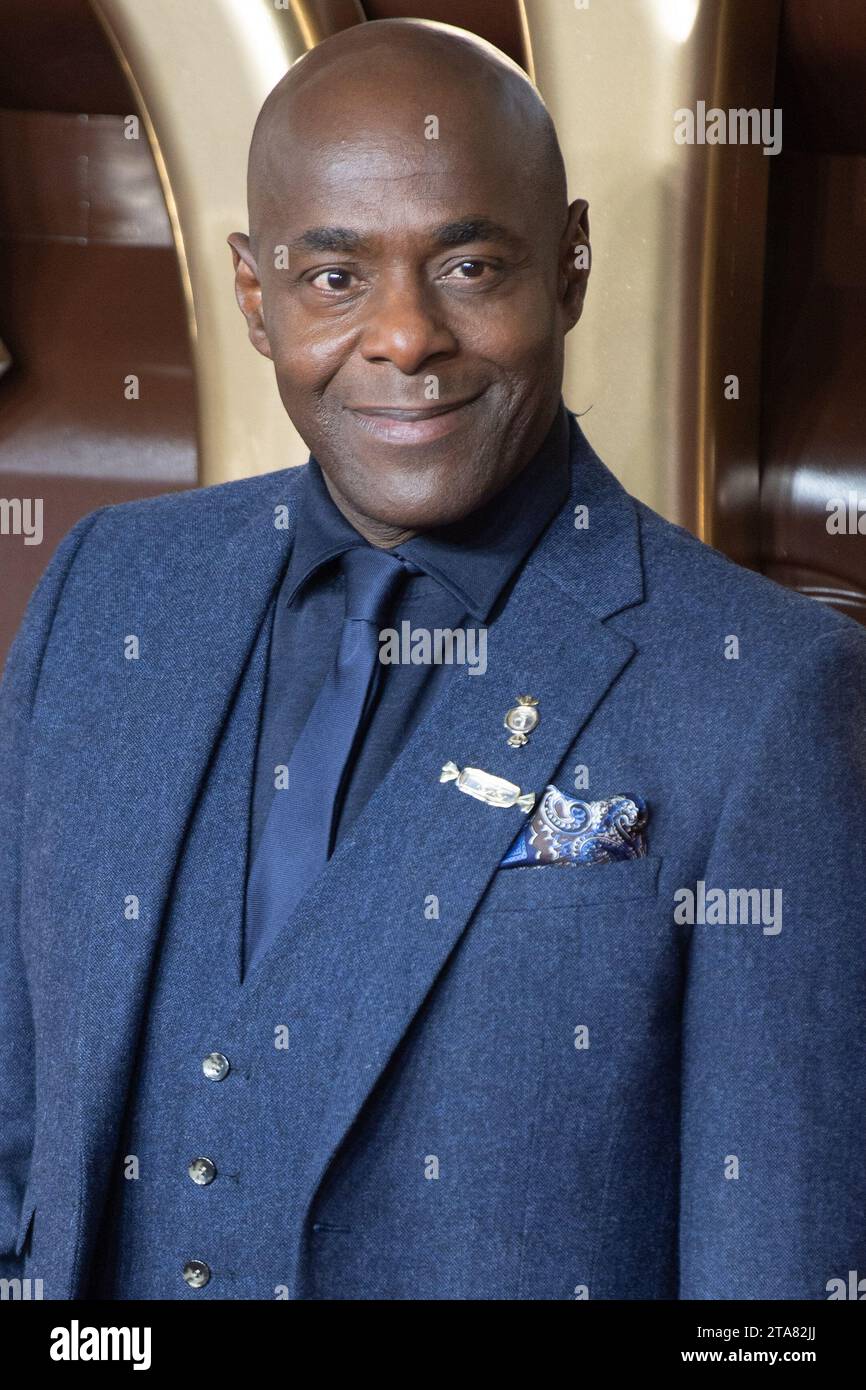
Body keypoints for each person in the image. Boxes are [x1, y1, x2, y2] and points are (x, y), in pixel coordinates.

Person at [1, 18, 865, 1302]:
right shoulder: (106, 587)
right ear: (255, 294)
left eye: (467, 266)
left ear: (569, 268)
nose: (404, 338)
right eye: (335, 278)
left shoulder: (763, 693)